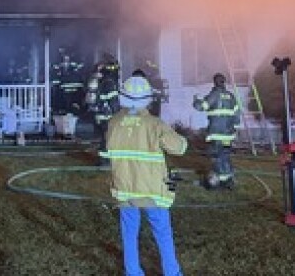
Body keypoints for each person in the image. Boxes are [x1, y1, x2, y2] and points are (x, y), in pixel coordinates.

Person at [105, 74, 188, 276]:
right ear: (147, 98)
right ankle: (172, 273)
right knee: (162, 234)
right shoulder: (155, 124)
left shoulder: (113, 123)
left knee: (129, 234)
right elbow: (180, 148)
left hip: (125, 189)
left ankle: (133, 272)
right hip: (152, 191)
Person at [193, 72, 240, 189]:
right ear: (224, 82)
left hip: (216, 134)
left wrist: (195, 100)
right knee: (225, 156)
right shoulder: (231, 97)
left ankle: (217, 182)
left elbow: (201, 107)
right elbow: (237, 117)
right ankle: (228, 179)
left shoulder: (214, 95)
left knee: (217, 157)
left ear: (215, 82)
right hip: (228, 134)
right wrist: (234, 129)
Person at [85, 54, 121, 160]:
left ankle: (103, 158)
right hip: (107, 115)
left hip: (98, 115)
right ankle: (105, 160)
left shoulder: (100, 80)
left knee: (104, 138)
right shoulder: (109, 83)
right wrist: (118, 114)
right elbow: (113, 102)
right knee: (108, 138)